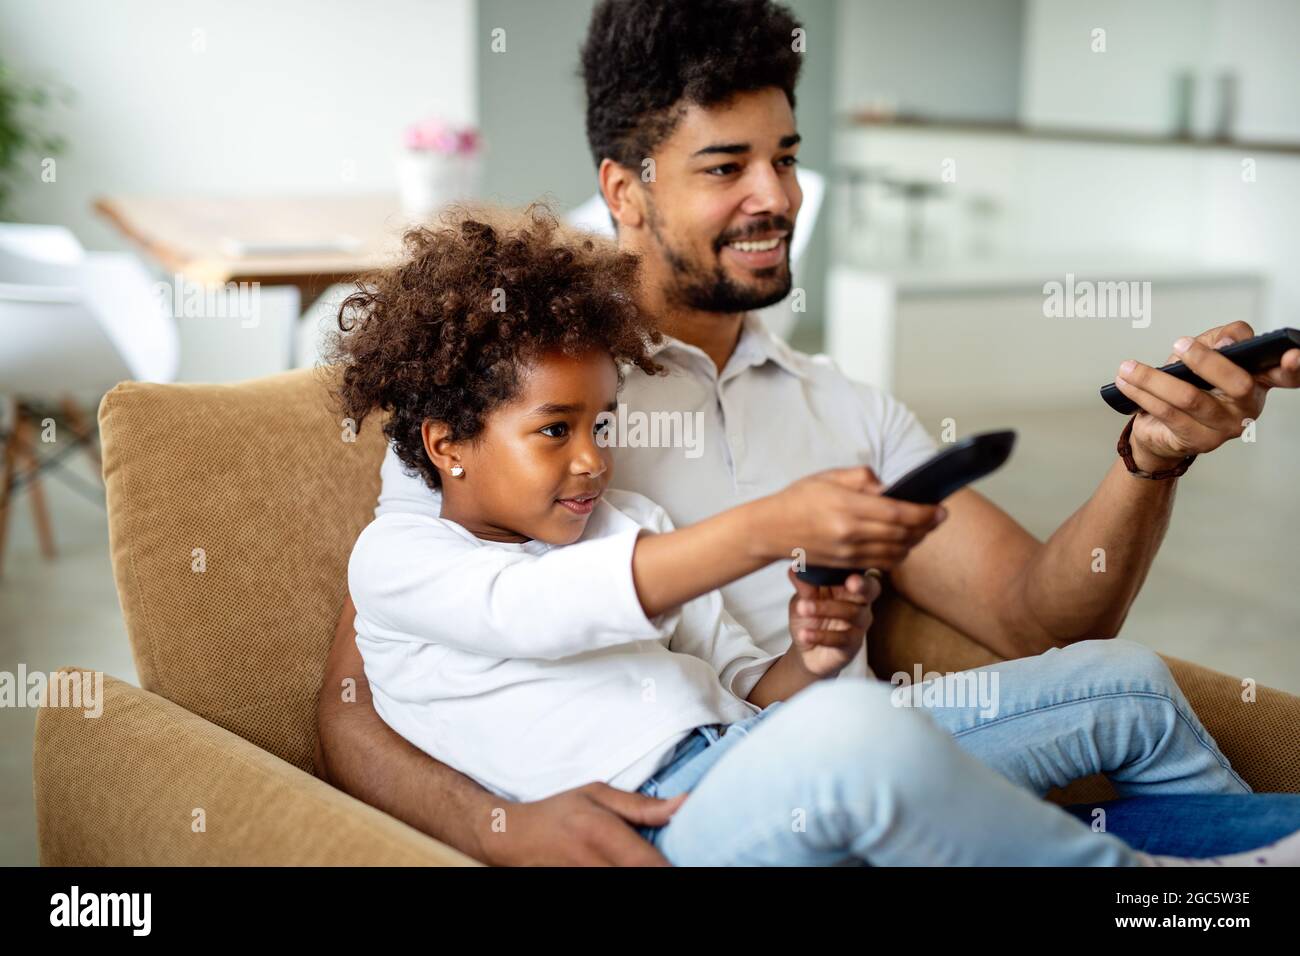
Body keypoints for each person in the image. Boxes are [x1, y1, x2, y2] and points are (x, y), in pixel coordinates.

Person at [314, 0, 1300, 865]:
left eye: (785, 158)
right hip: (754, 786)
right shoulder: (513, 397)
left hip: (803, 748)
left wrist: (1148, 458)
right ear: (625, 192)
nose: (778, 197)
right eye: (725, 166)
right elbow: (358, 698)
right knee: (856, 734)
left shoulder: (837, 410)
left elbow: (1040, 620)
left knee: (1124, 683)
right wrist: (497, 826)